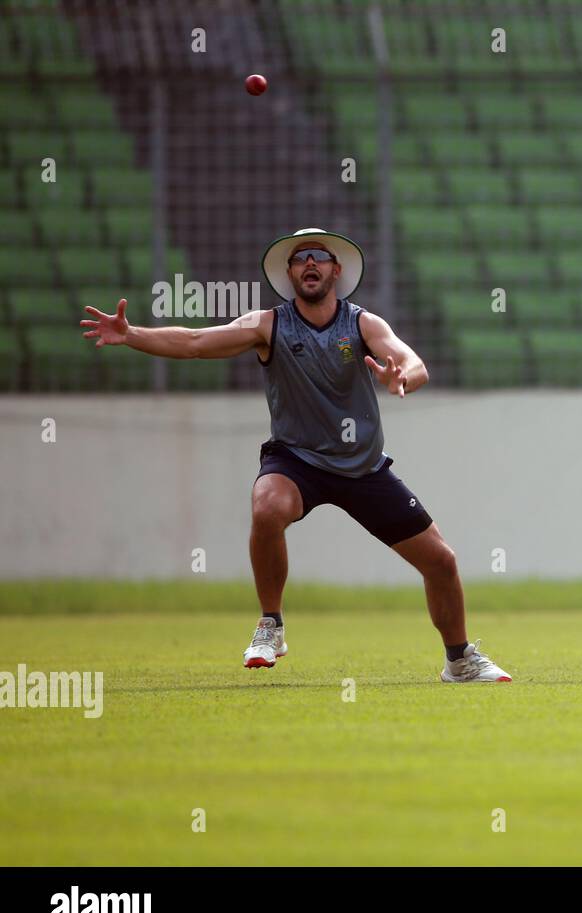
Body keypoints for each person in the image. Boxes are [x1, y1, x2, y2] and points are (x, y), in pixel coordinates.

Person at [79, 227, 512, 682]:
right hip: (297, 460)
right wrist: (131, 335)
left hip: (361, 466)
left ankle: (459, 661)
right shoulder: (268, 324)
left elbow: (412, 361)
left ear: (336, 270)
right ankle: (272, 625)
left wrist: (401, 376)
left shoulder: (363, 323)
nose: (310, 263)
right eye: (300, 258)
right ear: (289, 273)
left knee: (441, 561)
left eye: (319, 257)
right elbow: (194, 343)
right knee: (268, 506)